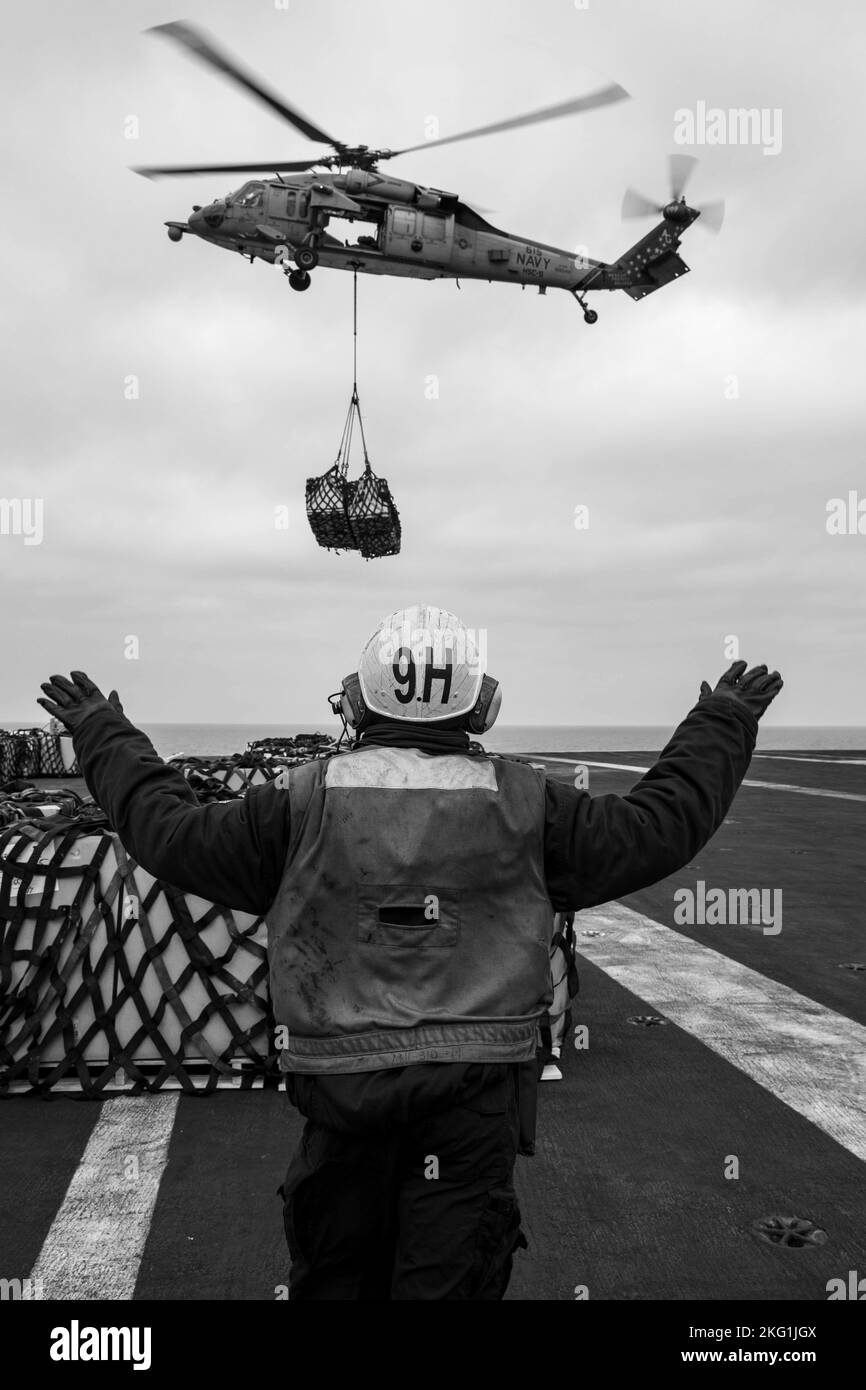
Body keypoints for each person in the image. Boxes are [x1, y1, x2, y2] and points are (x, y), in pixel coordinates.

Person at [38, 604, 782, 1301]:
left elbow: (170, 831)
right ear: (481, 706)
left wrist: (105, 733)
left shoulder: (301, 800)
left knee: (337, 1278)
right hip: (473, 1106)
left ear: (356, 703)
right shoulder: (527, 803)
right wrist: (721, 723)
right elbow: (656, 828)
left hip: (342, 1104)